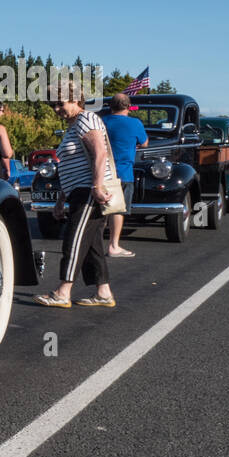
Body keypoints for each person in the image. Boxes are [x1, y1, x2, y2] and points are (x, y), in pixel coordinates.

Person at [35, 83, 116, 308]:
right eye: (53, 105)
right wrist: (61, 200)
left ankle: (63, 292)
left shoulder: (85, 119)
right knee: (92, 245)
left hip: (89, 190)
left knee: (74, 239)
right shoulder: (73, 125)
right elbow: (70, 166)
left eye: (60, 104)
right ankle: (103, 293)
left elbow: (100, 153)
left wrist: (97, 186)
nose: (56, 109)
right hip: (78, 191)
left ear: (75, 100)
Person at [100, 92, 148, 258]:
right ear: (128, 107)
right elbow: (144, 143)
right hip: (124, 173)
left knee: (100, 210)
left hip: (102, 173)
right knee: (117, 210)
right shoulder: (135, 123)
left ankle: (94, 244)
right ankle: (113, 245)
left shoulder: (102, 121)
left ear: (110, 106)